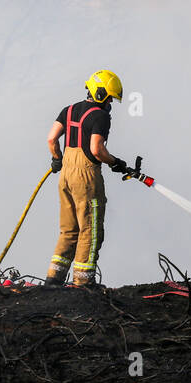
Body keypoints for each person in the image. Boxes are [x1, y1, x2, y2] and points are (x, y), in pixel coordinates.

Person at [45, 69, 129, 287]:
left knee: (68, 229)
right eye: (110, 97)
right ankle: (83, 283)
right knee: (90, 230)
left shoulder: (68, 110)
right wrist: (114, 162)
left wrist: (57, 159)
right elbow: (96, 149)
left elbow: (52, 138)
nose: (110, 102)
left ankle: (53, 280)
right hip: (86, 176)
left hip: (65, 175)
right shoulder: (100, 116)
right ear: (100, 93)